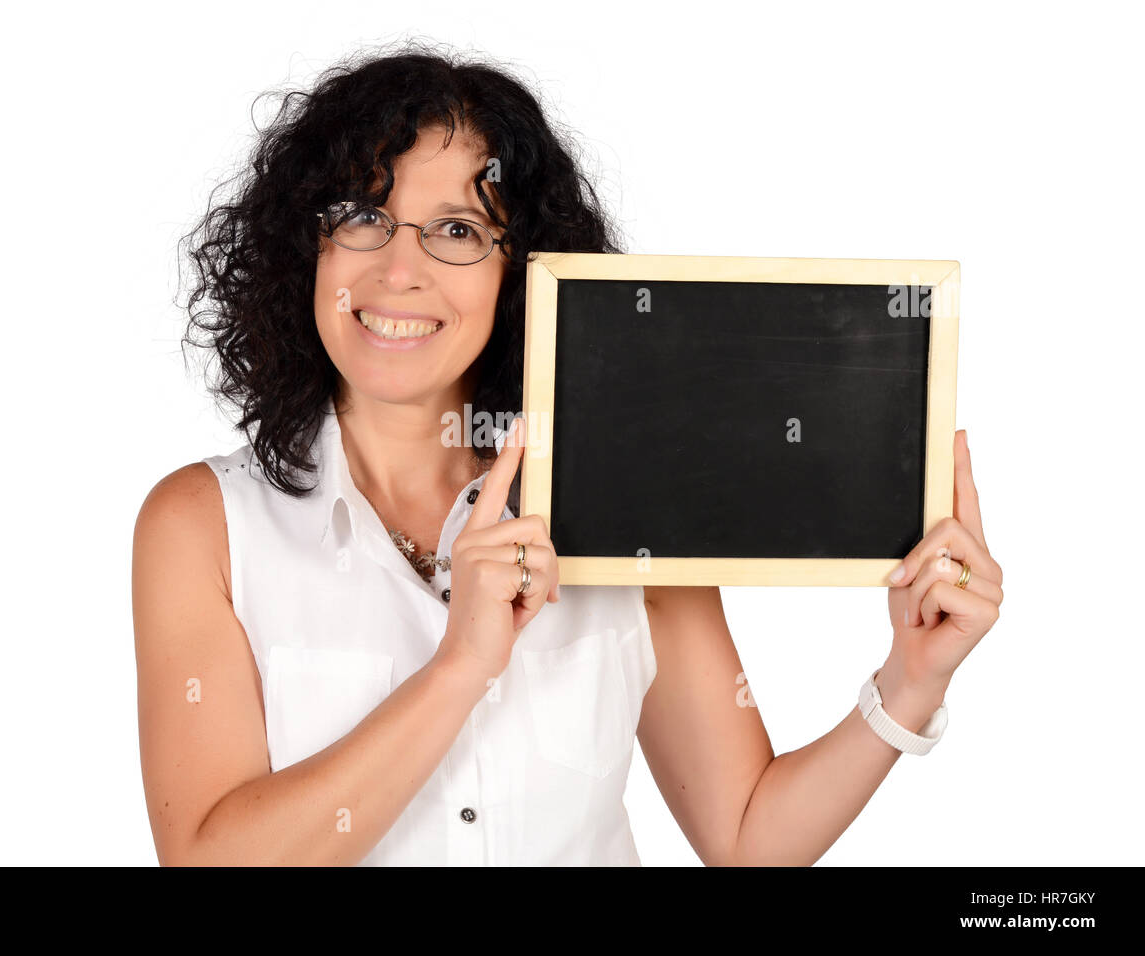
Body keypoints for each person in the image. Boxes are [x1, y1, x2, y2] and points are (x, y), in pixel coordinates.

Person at [132, 43, 1004, 866]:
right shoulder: (204, 525)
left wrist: (912, 681)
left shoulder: (637, 499)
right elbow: (209, 857)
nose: (400, 270)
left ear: (519, 273)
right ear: (305, 248)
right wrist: (462, 666)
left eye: (458, 231)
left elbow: (746, 834)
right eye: (363, 217)